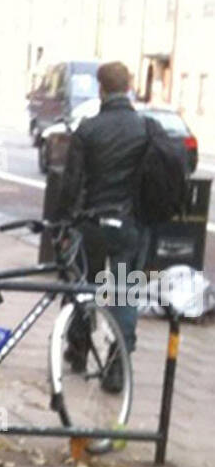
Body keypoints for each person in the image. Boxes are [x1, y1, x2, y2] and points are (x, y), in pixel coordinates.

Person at [56, 59, 164, 391]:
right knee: (122, 294)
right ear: (128, 87)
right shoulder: (145, 128)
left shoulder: (88, 130)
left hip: (91, 224)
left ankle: (78, 349)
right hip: (127, 223)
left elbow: (71, 184)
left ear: (100, 89)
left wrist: (63, 224)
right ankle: (117, 366)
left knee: (82, 287)